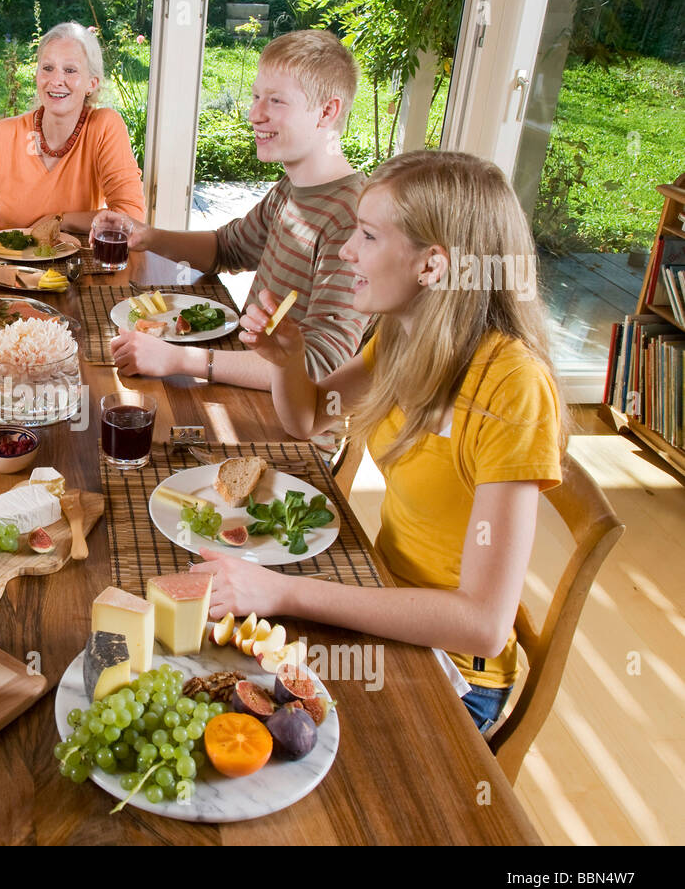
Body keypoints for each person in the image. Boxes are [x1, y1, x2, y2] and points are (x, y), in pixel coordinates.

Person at [195, 150, 565, 734]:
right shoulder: (403, 331)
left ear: (432, 265)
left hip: (453, 672)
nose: (346, 252)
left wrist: (286, 594)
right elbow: (310, 417)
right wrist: (287, 361)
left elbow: (483, 624)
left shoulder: (513, 388)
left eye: (367, 236)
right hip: (379, 595)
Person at [99, 29, 367, 388]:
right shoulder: (292, 189)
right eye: (256, 96)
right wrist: (147, 236)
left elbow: (320, 368)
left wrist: (180, 358)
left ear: (327, 112)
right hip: (246, 383)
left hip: (282, 429)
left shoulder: (353, 220)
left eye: (276, 101)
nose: (254, 114)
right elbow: (230, 248)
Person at [0, 22, 145, 240]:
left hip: (72, 269)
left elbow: (130, 219)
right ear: (37, 76)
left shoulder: (104, 127)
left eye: (70, 70)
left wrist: (60, 220)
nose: (56, 80)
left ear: (91, 83)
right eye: (48, 68)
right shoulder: (0, 134)